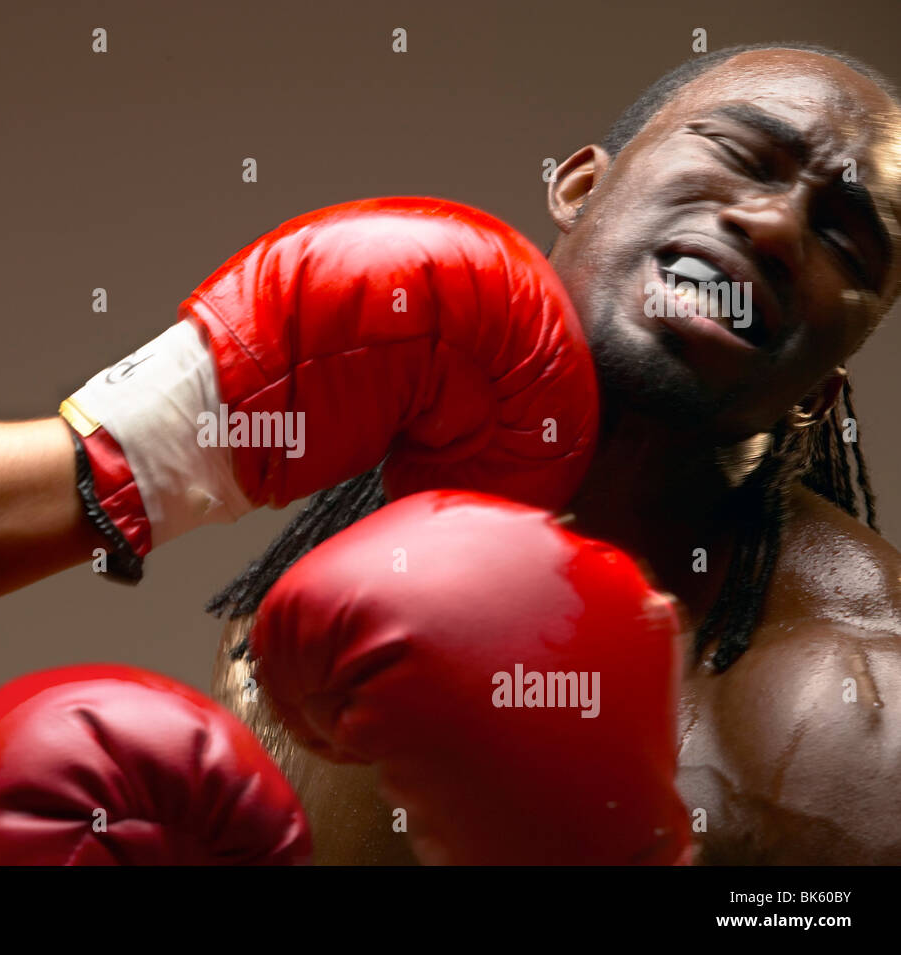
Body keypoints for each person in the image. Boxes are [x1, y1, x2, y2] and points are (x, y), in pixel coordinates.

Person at [208, 42, 901, 864]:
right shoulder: (343, 548)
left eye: (846, 240)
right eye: (743, 155)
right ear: (579, 186)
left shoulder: (865, 703)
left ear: (818, 395)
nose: (775, 225)